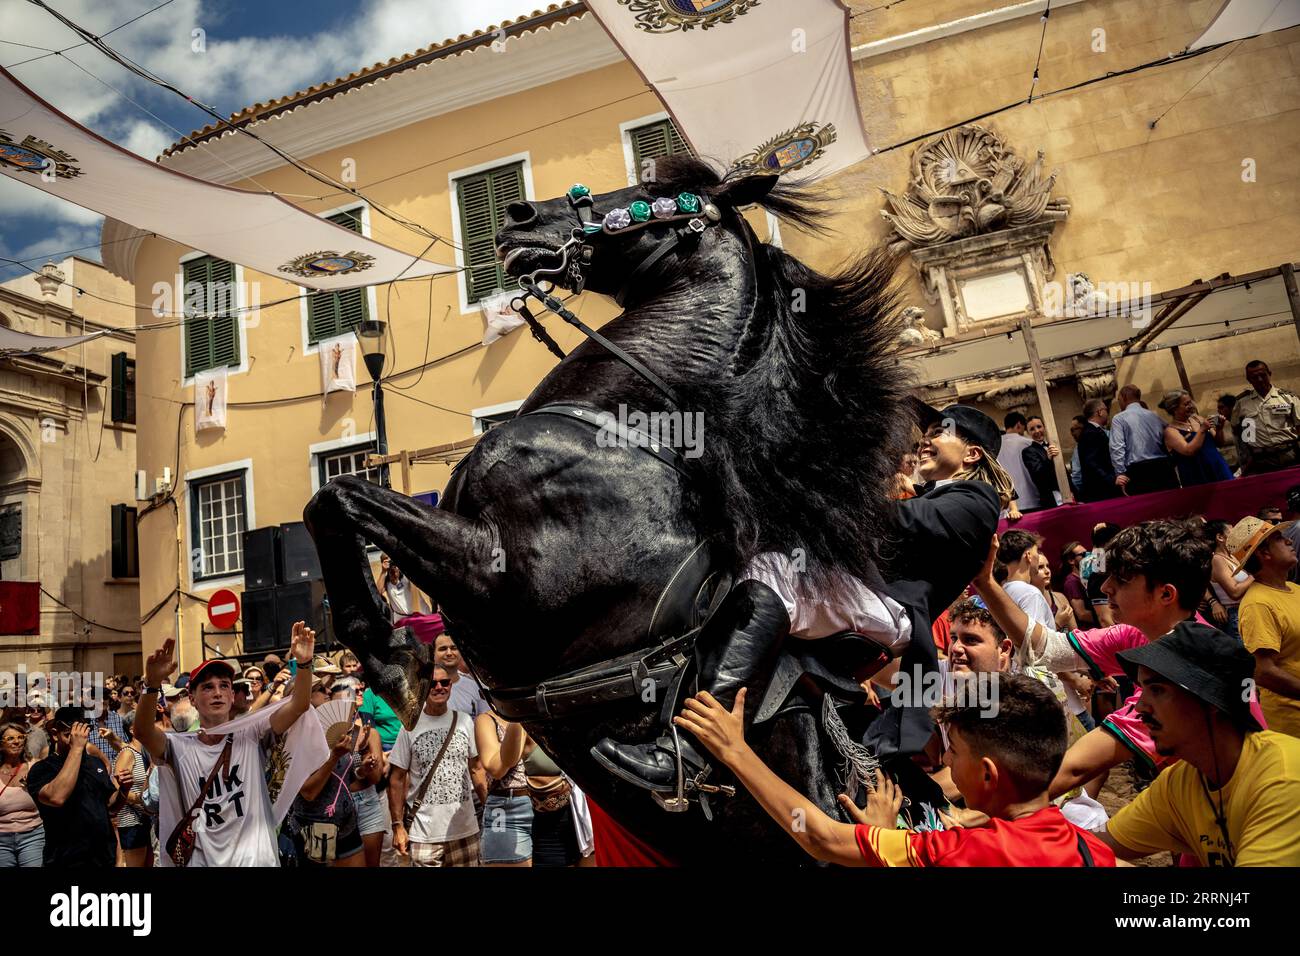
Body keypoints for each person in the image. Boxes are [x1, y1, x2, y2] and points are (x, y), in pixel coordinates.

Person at [592, 403, 1003, 795]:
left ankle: (690, 752)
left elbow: (896, 522)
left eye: (938, 433)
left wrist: (817, 487)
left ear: (972, 454)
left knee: (776, 569)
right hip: (869, 594)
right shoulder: (936, 493)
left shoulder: (977, 501)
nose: (925, 441)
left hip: (891, 609)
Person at [676, 673, 1114, 866]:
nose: (945, 762)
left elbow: (818, 836)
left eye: (954, 752)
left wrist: (735, 752)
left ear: (987, 774)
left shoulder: (967, 851)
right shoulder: (1096, 853)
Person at [973, 519, 1227, 800]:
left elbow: (1075, 769)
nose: (1106, 587)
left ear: (1165, 594)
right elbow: (1047, 648)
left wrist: (976, 810)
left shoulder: (1187, 666)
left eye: (1122, 579)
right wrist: (983, 581)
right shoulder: (1137, 632)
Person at [1100, 623, 1300, 865]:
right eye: (1143, 689)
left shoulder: (1284, 778)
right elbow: (1094, 848)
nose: (1141, 707)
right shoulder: (1180, 783)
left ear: (1211, 699)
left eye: (1157, 690)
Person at [134, 623, 328, 867]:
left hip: (256, 860)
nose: (217, 692)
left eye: (224, 685)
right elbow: (141, 731)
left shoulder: (251, 733)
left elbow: (299, 705)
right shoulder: (179, 747)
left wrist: (303, 664)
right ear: (192, 698)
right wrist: (152, 684)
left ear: (232, 694)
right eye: (207, 687)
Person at [388, 665, 484, 866]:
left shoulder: (464, 721)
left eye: (445, 682)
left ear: (451, 685)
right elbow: (396, 779)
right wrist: (398, 826)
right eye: (432, 683)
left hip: (465, 831)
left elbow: (477, 769)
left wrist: (490, 808)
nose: (439, 687)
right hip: (424, 836)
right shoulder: (409, 727)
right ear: (422, 688)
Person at [26, 708, 121, 867]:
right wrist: (76, 748)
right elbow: (57, 797)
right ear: (55, 734)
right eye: (69, 734)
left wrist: (124, 790)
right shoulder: (42, 769)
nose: (78, 740)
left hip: (103, 857)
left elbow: (110, 806)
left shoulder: (95, 763)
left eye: (82, 734)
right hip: (65, 858)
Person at [1232, 517, 1300, 737]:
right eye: (1279, 539)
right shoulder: (1258, 603)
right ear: (1264, 554)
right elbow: (1263, 672)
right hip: (1292, 721)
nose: (1289, 541)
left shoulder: (1293, 588)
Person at [476, 712, 532, 867]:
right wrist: (517, 719)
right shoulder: (487, 720)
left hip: (550, 809)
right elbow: (497, 770)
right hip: (508, 808)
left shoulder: (542, 712)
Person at [1231, 360, 1300, 474]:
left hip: (1290, 454)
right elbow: (1238, 430)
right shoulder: (1241, 403)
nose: (1260, 379)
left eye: (1263, 375)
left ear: (1269, 374)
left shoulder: (1288, 398)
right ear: (1249, 380)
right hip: (1262, 460)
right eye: (1254, 377)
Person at [1110, 385, 1179, 495]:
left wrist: (1120, 473)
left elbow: (1117, 447)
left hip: (1139, 472)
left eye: (1118, 399)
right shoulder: (1154, 416)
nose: (1119, 403)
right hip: (1163, 468)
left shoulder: (1119, 419)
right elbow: (1171, 436)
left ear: (1123, 397)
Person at [1159, 389, 1232, 486]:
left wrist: (1219, 429)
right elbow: (1189, 450)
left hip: (1218, 468)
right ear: (1174, 409)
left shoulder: (1198, 419)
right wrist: (1202, 430)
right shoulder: (1171, 431)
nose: (1191, 406)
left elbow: (1219, 443)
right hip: (1197, 476)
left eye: (1191, 402)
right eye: (1186, 404)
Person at [0, 722, 44, 867]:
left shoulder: (35, 767)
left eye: (20, 737)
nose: (17, 741)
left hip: (32, 836)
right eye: (10, 739)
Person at [1205, 519, 1252, 639]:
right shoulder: (1217, 560)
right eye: (1232, 532)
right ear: (1220, 537)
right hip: (1236, 615)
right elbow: (1234, 592)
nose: (1237, 535)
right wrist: (1255, 575)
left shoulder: (1233, 556)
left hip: (1246, 612)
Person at [112, 731, 152, 867]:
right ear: (132, 729)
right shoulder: (127, 753)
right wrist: (143, 800)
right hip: (131, 822)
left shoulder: (144, 754)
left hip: (145, 819)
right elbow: (118, 788)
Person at [435, 634, 490, 718]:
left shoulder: (476, 687)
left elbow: (487, 718)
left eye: (454, 648)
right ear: (433, 653)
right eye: (443, 649)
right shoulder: (423, 689)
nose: (449, 653)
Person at [1076, 398, 1119, 502]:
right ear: (1099, 412)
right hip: (1100, 491)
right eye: (1106, 409)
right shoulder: (1090, 433)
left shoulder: (1093, 430)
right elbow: (1091, 462)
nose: (1107, 413)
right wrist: (1111, 479)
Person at [996, 411, 1036, 518]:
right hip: (1032, 498)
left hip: (1008, 503)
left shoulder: (994, 446)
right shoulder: (1028, 443)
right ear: (1019, 425)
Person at [1022, 415, 1061, 511]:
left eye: (1039, 427)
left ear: (1044, 427)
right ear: (1028, 433)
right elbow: (1038, 475)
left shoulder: (1053, 445)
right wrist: (1048, 459)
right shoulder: (1028, 451)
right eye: (1032, 429)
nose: (1037, 431)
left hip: (1068, 492)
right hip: (1052, 497)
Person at [378, 554, 429, 624]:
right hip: (402, 621)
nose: (391, 562)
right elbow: (377, 593)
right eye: (387, 560)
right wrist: (383, 572)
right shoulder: (385, 580)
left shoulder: (406, 572)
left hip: (422, 615)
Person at [1060, 541, 1096, 629]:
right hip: (1087, 632)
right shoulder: (1071, 582)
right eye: (1083, 555)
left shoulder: (1084, 578)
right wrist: (1104, 615)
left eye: (1088, 553)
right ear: (1071, 560)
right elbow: (1082, 614)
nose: (1088, 557)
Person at [1216, 393, 1240, 470]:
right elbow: (1219, 444)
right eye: (1218, 408)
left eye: (1222, 408)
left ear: (1231, 408)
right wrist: (1219, 428)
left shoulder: (1242, 421)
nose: (1219, 411)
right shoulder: (1223, 424)